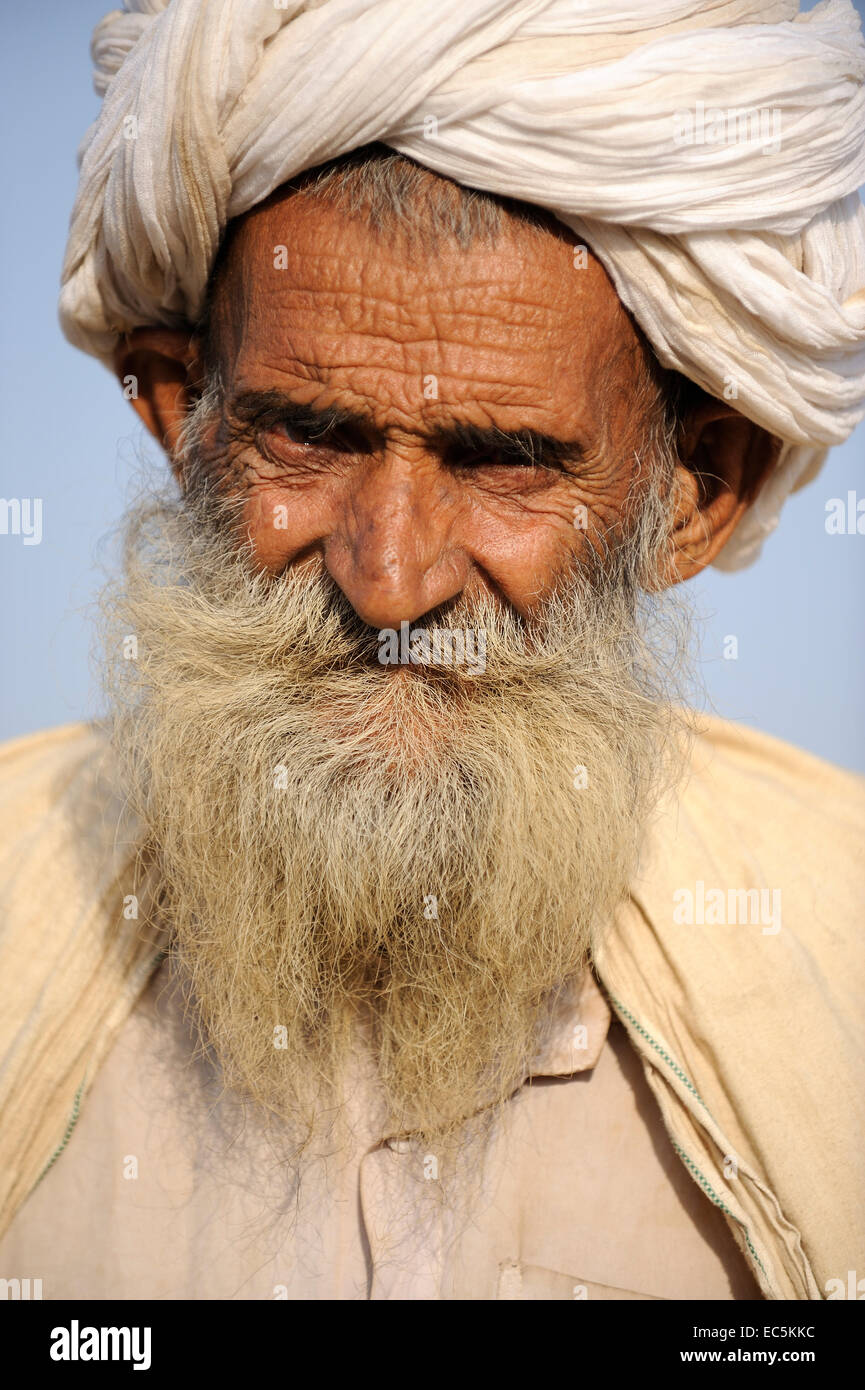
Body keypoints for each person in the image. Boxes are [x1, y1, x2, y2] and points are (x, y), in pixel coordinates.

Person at [1, 0, 864, 1301]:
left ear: (697, 489)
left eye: (502, 461)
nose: (390, 574)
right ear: (182, 420)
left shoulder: (836, 953)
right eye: (311, 436)